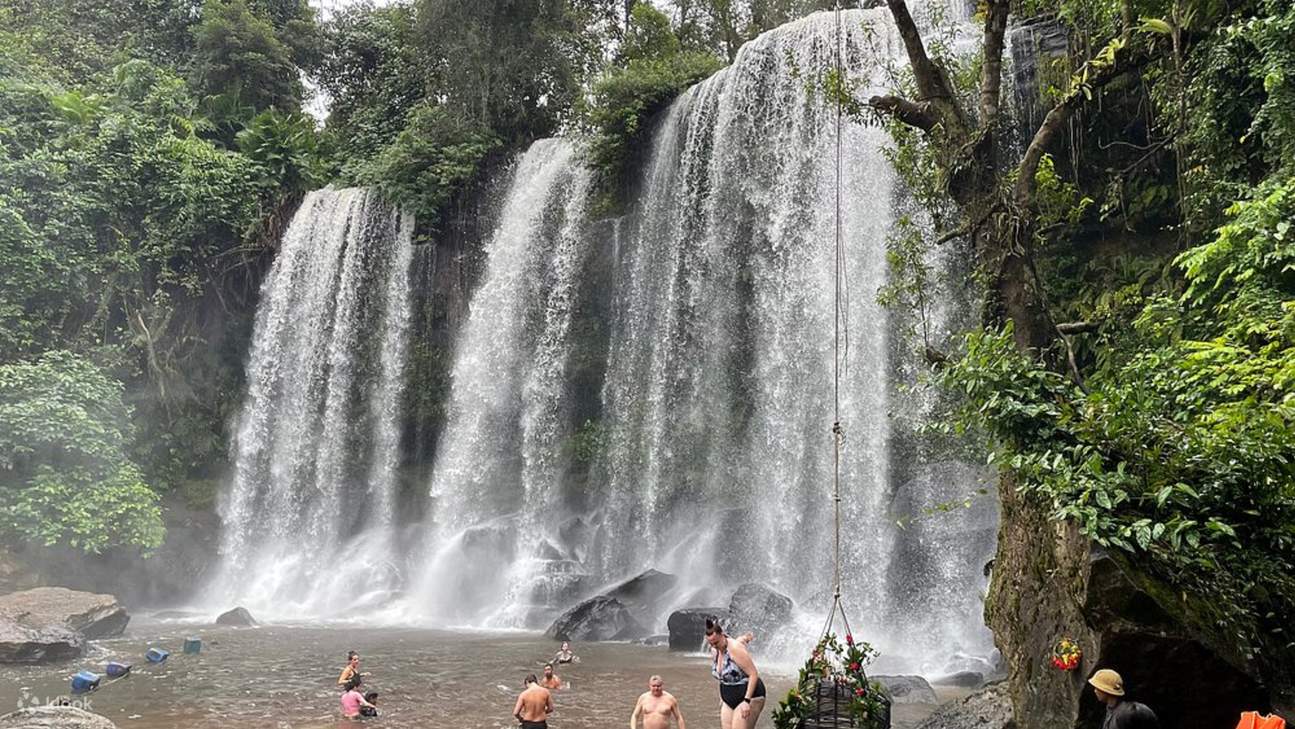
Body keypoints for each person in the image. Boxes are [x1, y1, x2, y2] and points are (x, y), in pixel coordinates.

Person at [705, 617, 765, 729]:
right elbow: (723, 676)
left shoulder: (735, 649)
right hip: (728, 698)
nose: (714, 646)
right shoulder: (715, 650)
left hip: (749, 696)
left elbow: (753, 674)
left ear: (722, 634)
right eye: (711, 643)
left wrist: (746, 701)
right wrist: (745, 638)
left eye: (716, 642)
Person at [1089, 668, 1161, 729]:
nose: (1095, 691)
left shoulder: (1129, 713)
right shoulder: (1110, 711)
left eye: (1097, 688)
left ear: (1106, 690)